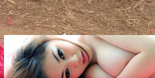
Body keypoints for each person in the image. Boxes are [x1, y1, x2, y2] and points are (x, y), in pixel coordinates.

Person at [9, 35, 155, 78]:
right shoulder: (90, 73)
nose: (75, 61)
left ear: (50, 39)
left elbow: (153, 49)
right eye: (66, 73)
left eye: (60, 54)